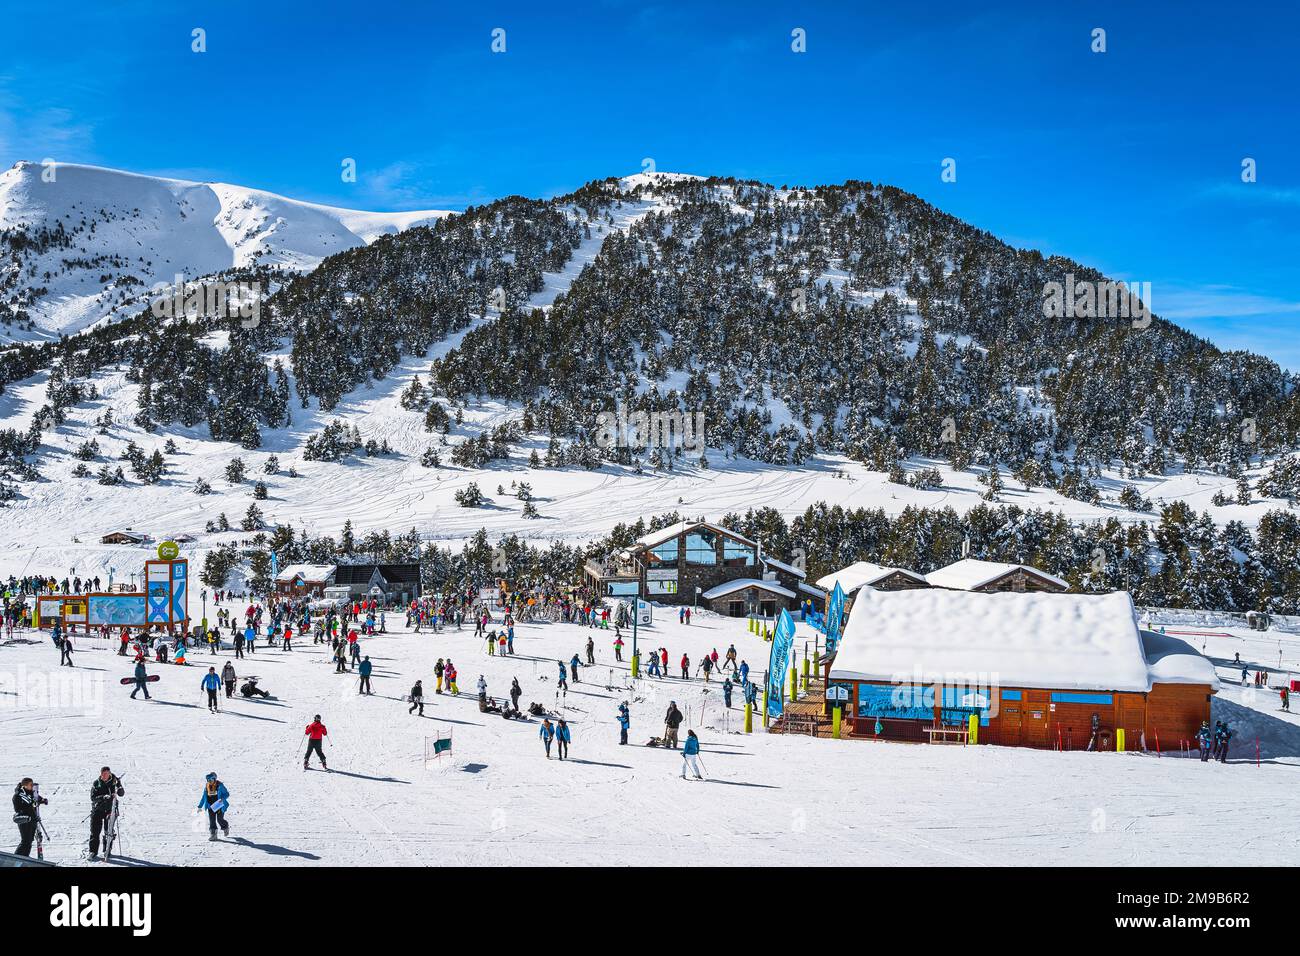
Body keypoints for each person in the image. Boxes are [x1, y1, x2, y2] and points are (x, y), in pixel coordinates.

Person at [88, 767, 124, 861]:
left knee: (108, 831)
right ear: (101, 774)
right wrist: (103, 797)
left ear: (110, 774)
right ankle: (93, 851)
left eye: (107, 774)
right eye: (103, 774)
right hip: (98, 809)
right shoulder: (97, 783)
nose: (105, 776)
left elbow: (121, 793)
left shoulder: (114, 782)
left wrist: (119, 789)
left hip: (110, 810)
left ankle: (107, 849)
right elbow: (93, 797)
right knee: (95, 831)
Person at [12, 778, 47, 857]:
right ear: (25, 785)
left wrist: (43, 800)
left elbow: (37, 798)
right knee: (25, 840)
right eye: (30, 785)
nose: (32, 786)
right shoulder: (18, 795)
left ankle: (25, 857)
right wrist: (31, 805)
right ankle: (17, 857)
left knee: (30, 841)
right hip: (24, 820)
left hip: (33, 819)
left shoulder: (31, 793)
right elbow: (18, 809)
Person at [196, 772, 230, 841]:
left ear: (214, 779)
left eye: (211, 780)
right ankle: (213, 834)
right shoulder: (207, 787)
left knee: (220, 819)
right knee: (212, 821)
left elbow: (227, 794)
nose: (209, 781)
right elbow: (204, 797)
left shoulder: (220, 786)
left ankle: (225, 827)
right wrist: (200, 806)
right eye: (208, 780)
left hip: (219, 804)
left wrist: (222, 799)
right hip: (210, 806)